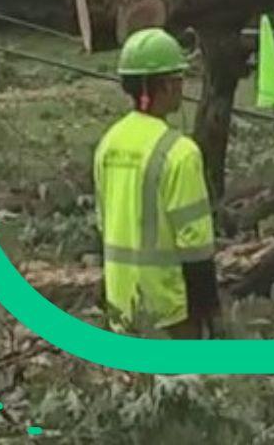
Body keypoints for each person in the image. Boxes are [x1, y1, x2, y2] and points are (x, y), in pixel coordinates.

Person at [93, 27, 218, 339]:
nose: (182, 85)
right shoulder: (180, 153)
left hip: (121, 306)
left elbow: (103, 223)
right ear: (163, 84)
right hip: (169, 310)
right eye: (178, 78)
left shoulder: (108, 144)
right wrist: (208, 310)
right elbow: (195, 244)